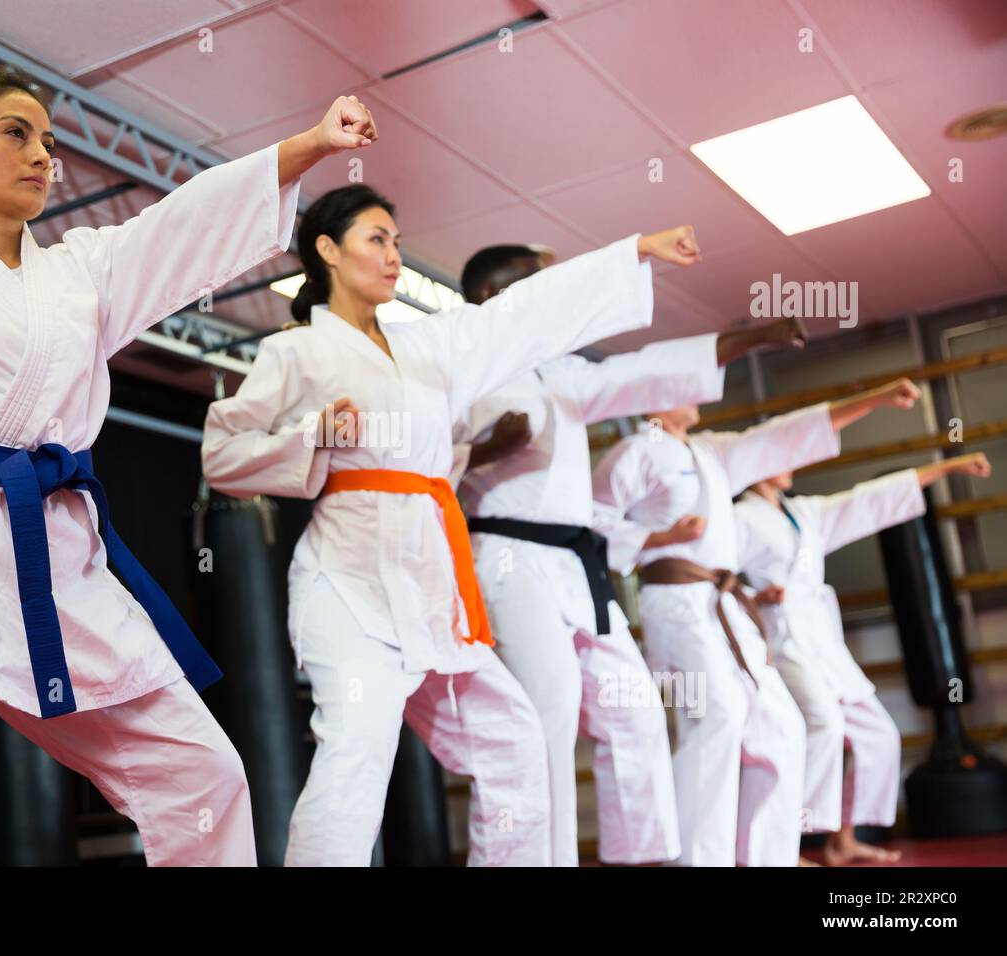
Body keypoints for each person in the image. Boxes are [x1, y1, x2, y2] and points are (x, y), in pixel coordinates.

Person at [0, 66, 378, 866]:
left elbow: (180, 225)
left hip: (57, 569)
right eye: (15, 134)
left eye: (49, 141)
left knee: (203, 774)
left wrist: (306, 148)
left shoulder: (81, 274)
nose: (42, 155)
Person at [202, 180, 702, 865]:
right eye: (376, 239)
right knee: (358, 752)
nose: (393, 256)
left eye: (397, 242)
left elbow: (521, 312)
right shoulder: (295, 353)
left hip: (431, 587)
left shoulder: (430, 345)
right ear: (328, 251)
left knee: (514, 741)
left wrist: (632, 253)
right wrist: (313, 436)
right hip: (348, 585)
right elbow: (223, 454)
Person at [451, 241, 809, 864]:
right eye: (537, 282)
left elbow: (637, 374)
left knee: (636, 711)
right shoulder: (460, 365)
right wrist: (481, 452)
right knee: (550, 719)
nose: (553, 292)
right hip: (509, 557)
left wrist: (739, 342)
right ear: (492, 296)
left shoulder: (562, 374)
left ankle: (640, 858)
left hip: (575, 565)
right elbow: (416, 463)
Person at [591, 378, 922, 865]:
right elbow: (591, 528)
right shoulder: (633, 453)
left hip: (722, 605)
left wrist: (872, 401)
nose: (699, 389)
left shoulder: (711, 453)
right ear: (654, 399)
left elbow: (783, 437)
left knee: (784, 725)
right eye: (683, 381)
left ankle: (768, 857)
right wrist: (657, 538)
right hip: (674, 603)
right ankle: (698, 861)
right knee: (715, 717)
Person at [736, 452, 992, 865]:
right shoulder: (740, 518)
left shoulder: (803, 512)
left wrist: (946, 468)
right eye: (779, 452)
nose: (790, 461)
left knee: (880, 736)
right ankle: (782, 847)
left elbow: (868, 500)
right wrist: (755, 597)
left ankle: (843, 839)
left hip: (824, 642)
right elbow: (714, 577)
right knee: (823, 724)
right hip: (783, 643)